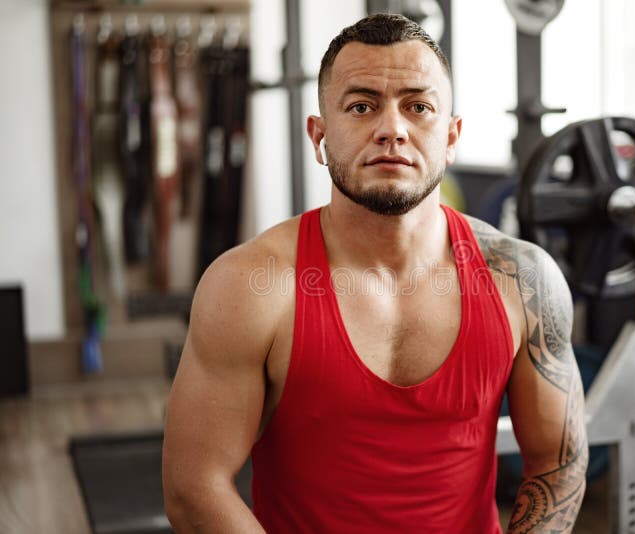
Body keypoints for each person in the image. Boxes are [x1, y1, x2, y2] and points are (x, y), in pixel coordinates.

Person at [162, 13, 587, 533]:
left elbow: (558, 462)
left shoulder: (522, 280)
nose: (392, 129)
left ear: (451, 136)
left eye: (419, 107)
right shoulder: (250, 285)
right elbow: (194, 489)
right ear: (319, 136)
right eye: (362, 106)